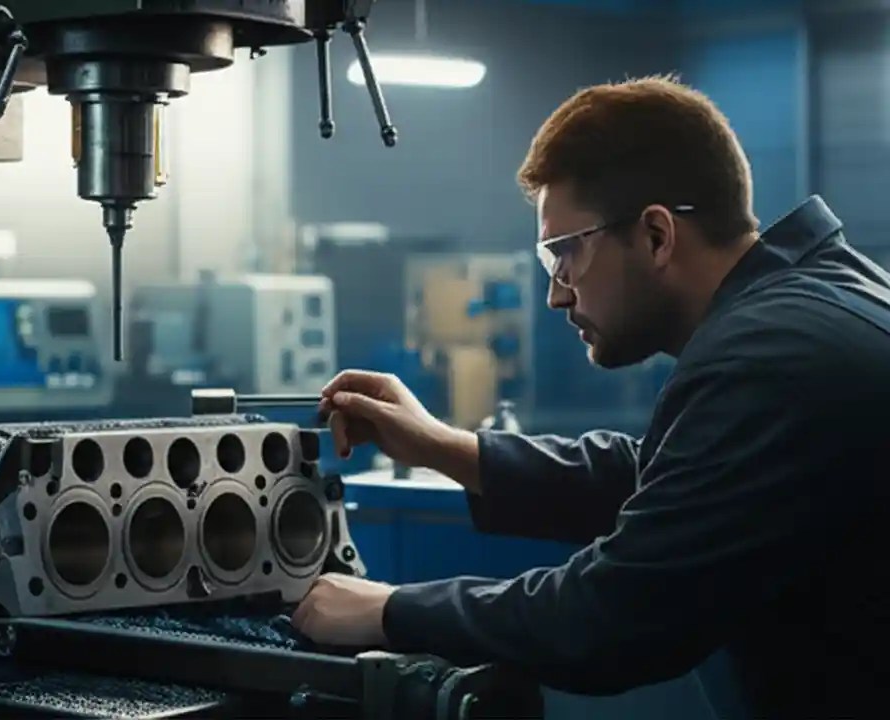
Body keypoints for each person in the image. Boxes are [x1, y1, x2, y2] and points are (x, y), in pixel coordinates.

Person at [290, 75, 890, 719]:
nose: (557, 294)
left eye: (563, 256)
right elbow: (671, 478)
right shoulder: (820, 299)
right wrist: (447, 447)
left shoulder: (770, 357)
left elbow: (615, 613)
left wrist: (387, 609)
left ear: (657, 236)